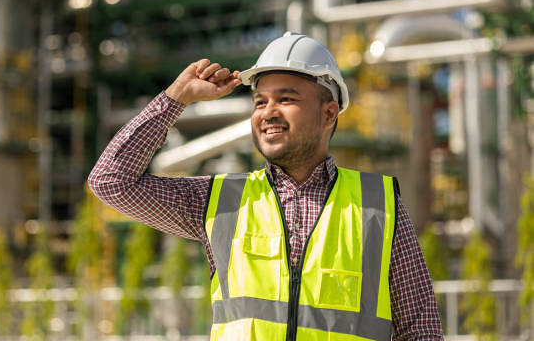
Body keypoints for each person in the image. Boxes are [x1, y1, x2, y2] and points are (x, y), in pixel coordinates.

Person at [88, 32, 444, 340]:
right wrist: (175, 98)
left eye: (286, 99)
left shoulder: (378, 205)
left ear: (329, 114)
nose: (268, 112)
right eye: (260, 102)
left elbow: (420, 329)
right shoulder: (217, 201)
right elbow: (110, 181)